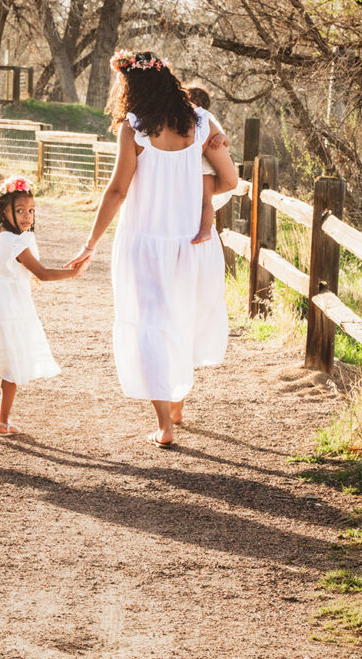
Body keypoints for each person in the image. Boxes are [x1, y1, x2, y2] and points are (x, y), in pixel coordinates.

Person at [66, 50, 238, 448]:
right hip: (193, 242)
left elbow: (118, 190)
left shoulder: (134, 130)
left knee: (151, 327)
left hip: (144, 243)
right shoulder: (202, 122)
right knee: (182, 320)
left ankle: (165, 424)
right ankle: (176, 403)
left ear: (133, 88)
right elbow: (229, 179)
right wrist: (201, 200)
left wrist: (90, 243)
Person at [0, 176, 81, 435]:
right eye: (20, 210)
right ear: (4, 211)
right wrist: (74, 273)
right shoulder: (17, 242)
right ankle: (2, 422)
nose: (27, 217)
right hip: (10, 305)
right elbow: (42, 274)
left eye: (31, 211)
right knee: (12, 360)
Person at [183, 83, 224, 244]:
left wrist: (221, 138)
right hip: (196, 165)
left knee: (206, 201)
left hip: (206, 168)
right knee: (199, 200)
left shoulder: (205, 117)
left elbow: (223, 136)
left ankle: (205, 230)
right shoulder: (194, 117)